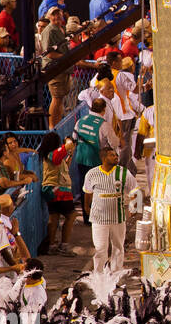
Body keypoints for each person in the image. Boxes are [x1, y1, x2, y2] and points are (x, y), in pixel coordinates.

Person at [83, 146, 136, 274]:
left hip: (118, 217)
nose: (116, 158)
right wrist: (86, 207)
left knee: (118, 247)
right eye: (112, 155)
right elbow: (88, 192)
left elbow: (135, 190)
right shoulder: (92, 174)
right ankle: (99, 274)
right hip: (98, 218)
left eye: (116, 155)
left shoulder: (124, 173)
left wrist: (133, 207)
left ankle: (116, 273)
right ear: (103, 158)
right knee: (100, 248)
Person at [38, 132, 77, 256]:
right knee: (71, 215)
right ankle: (63, 246)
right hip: (58, 191)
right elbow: (58, 156)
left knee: (54, 218)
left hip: (54, 190)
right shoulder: (52, 154)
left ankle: (52, 245)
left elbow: (62, 165)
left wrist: (69, 153)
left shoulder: (50, 155)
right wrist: (68, 143)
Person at [74, 98, 108, 223]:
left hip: (81, 159)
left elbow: (74, 138)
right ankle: (97, 217)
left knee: (85, 187)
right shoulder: (103, 124)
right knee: (98, 188)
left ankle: (87, 218)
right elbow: (114, 142)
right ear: (104, 110)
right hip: (96, 160)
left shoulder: (80, 121)